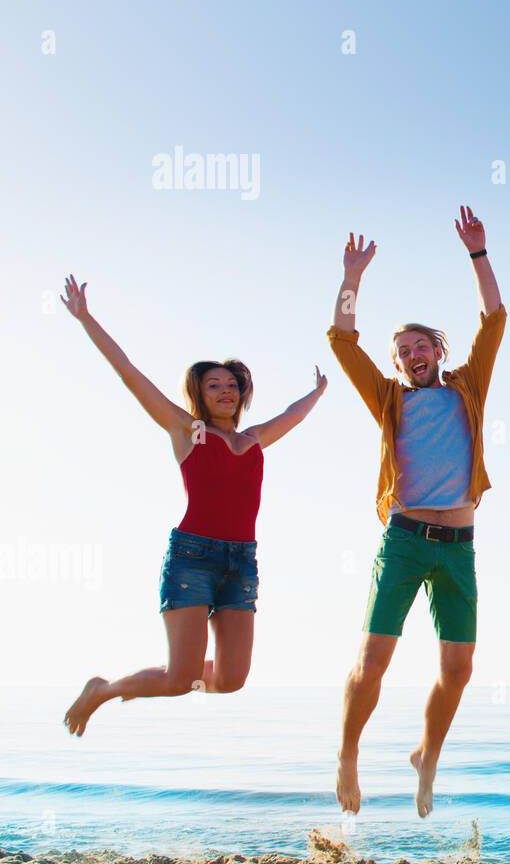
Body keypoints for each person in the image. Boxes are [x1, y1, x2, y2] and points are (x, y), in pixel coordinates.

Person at [61, 274, 326, 736]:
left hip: (241, 563)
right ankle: (103, 689)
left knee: (230, 680)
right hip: (193, 557)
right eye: (213, 386)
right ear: (199, 395)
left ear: (241, 393)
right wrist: (86, 319)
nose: (225, 391)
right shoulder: (188, 432)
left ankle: (150, 675)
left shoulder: (253, 439)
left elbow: (292, 417)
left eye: (231, 385)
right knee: (179, 680)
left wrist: (318, 393)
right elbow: (129, 374)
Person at [328, 208, 506, 817]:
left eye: (421, 345)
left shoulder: (468, 387)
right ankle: (348, 755)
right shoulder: (388, 398)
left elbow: (495, 319)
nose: (412, 355)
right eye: (402, 351)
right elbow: (342, 343)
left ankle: (426, 755)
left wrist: (478, 254)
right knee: (373, 658)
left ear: (438, 349)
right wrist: (352, 276)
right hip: (403, 540)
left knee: (459, 669)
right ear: (399, 362)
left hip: (459, 546)